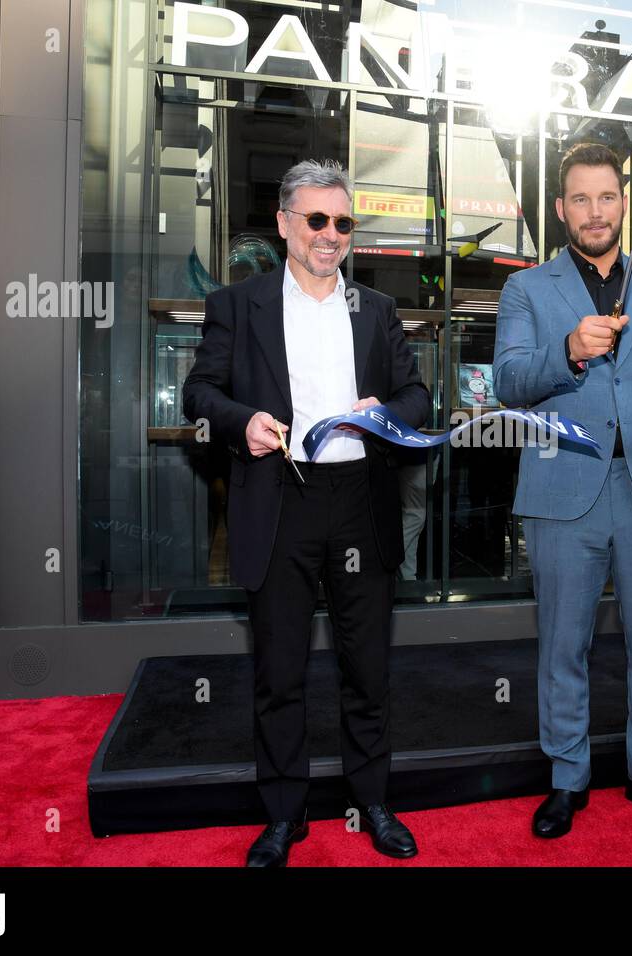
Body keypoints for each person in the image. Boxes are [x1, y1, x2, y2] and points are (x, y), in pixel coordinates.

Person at [182, 159, 431, 866]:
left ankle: (373, 802)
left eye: (343, 222)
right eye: (317, 219)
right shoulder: (239, 304)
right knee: (280, 672)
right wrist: (242, 422)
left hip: (360, 502)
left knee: (367, 668)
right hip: (280, 496)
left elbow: (418, 401)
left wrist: (385, 412)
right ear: (287, 223)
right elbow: (198, 392)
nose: (330, 235)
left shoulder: (377, 311)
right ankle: (284, 815)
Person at [493, 142, 632, 838]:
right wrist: (568, 354)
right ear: (561, 209)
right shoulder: (527, 289)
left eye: (606, 197)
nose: (594, 211)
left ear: (624, 203)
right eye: (580, 199)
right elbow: (510, 381)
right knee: (563, 645)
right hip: (562, 494)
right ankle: (566, 780)